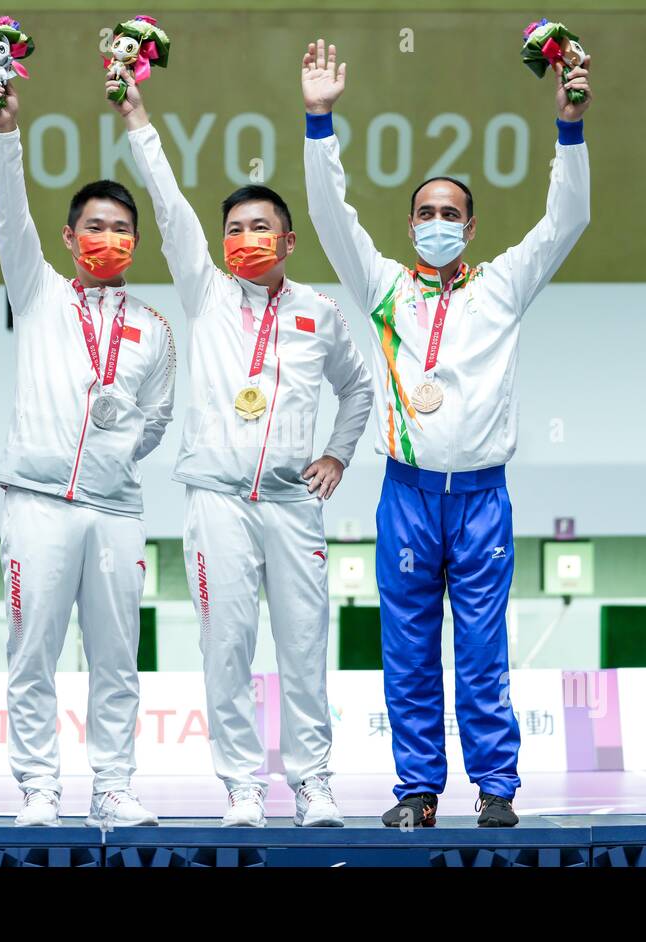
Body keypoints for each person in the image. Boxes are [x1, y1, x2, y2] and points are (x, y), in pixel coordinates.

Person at [301, 39, 592, 828]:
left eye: (449, 213)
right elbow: (331, 218)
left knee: (482, 651)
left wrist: (568, 128)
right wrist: (319, 121)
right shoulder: (387, 288)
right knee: (408, 653)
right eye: (425, 213)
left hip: (483, 500)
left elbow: (568, 219)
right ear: (410, 224)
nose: (436, 223)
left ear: (470, 225)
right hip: (406, 495)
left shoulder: (501, 287)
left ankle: (496, 788)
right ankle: (417, 791)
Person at [108, 68, 373, 827]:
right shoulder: (206, 291)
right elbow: (166, 204)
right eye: (235, 230)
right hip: (217, 502)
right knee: (226, 648)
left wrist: (338, 454)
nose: (245, 240)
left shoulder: (320, 314)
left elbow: (358, 392)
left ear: (287, 240)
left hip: (293, 506)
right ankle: (242, 789)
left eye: (261, 229)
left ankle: (314, 782)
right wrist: (136, 116)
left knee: (303, 648)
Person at [0, 76, 177, 828]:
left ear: (137, 240)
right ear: (69, 238)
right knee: (32, 652)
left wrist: (118, 444)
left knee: (117, 658)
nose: (107, 239)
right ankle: (38, 787)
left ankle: (113, 785)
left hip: (115, 509)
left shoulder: (155, 328)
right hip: (36, 502)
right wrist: (6, 133)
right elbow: (9, 217)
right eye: (93, 227)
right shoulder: (36, 291)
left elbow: (158, 419)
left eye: (121, 229)